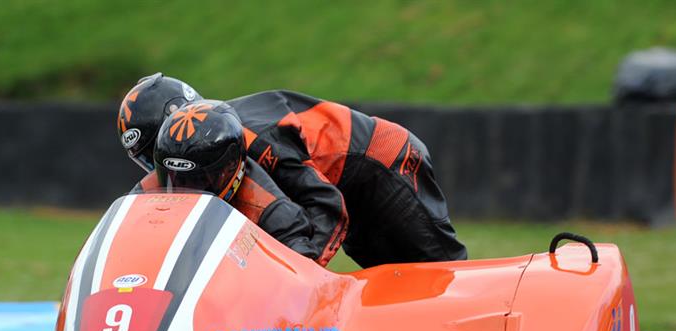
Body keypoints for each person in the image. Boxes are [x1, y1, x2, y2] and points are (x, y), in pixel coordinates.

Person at [117, 75, 467, 268]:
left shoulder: (252, 142)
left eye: (156, 151)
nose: (163, 169)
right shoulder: (213, 146)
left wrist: (301, 274)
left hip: (382, 164)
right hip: (341, 178)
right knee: (388, 283)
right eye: (151, 160)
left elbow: (323, 203)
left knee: (436, 274)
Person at [136, 100, 347, 265]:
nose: (186, 191)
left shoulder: (272, 210)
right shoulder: (146, 190)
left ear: (230, 168)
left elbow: (305, 268)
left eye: (199, 180)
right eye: (175, 179)